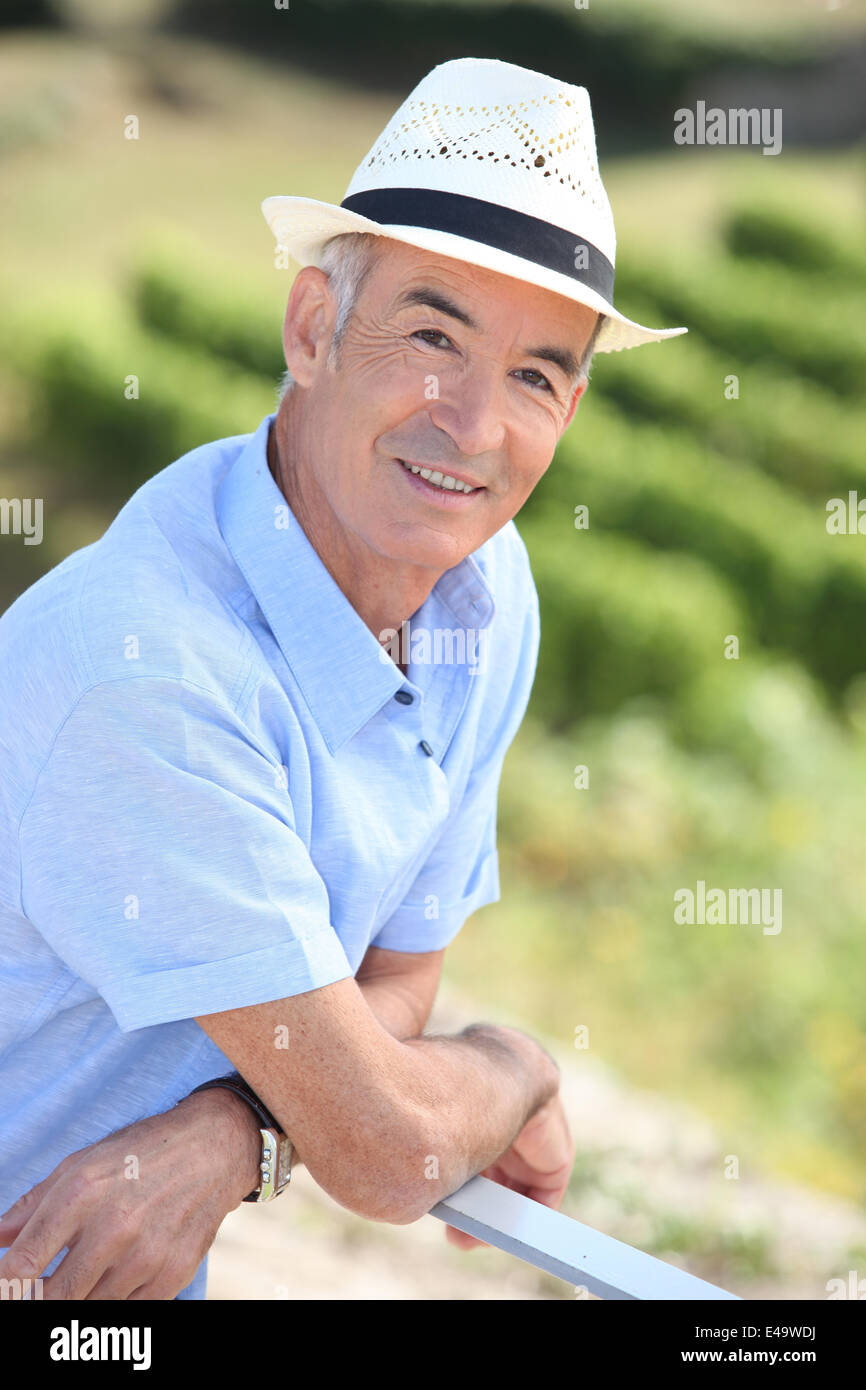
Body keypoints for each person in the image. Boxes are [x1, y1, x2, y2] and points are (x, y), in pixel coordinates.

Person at [0, 56, 685, 1300]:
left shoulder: (481, 588)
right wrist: (517, 1064)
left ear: (571, 410)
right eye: (432, 334)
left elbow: (393, 971)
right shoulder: (148, 671)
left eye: (532, 374)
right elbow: (384, 1147)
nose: (472, 426)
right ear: (312, 326)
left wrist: (227, 1136)